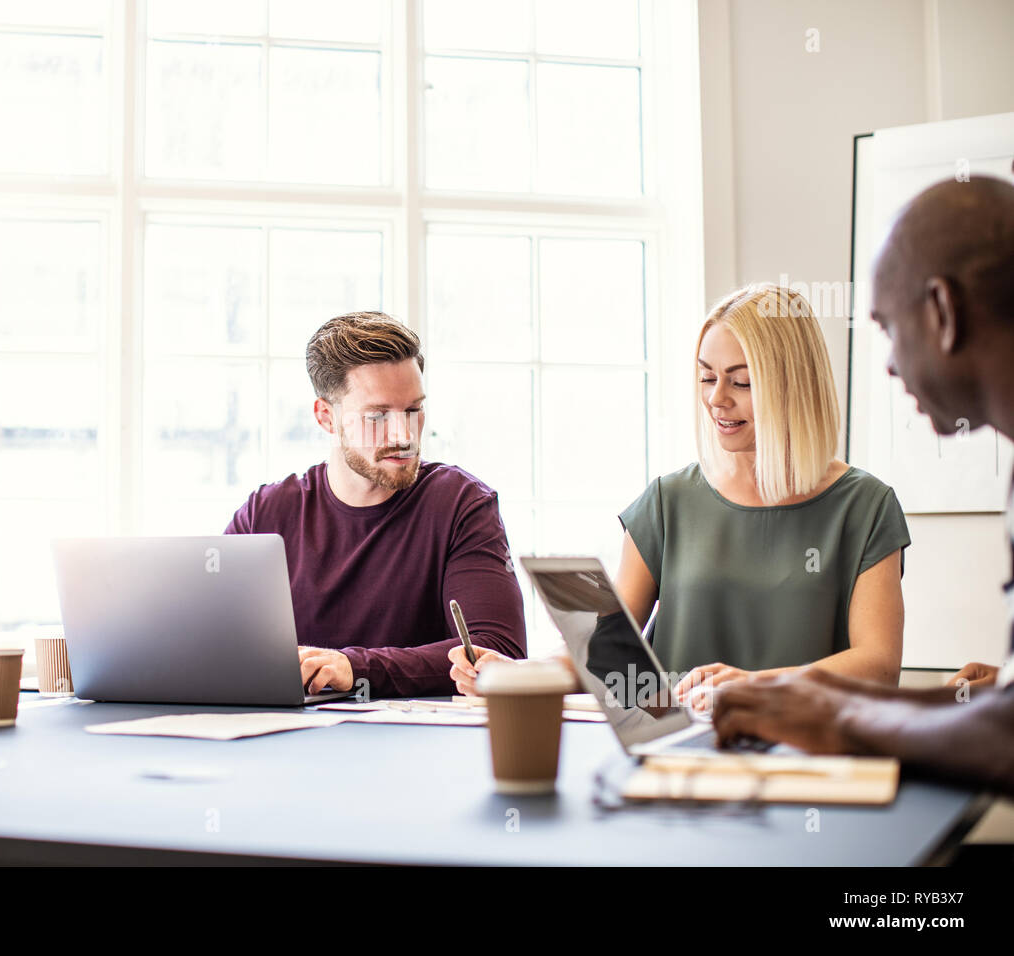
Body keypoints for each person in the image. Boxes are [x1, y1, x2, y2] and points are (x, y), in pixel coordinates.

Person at [451, 284, 909, 702]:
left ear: (794, 385)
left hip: (806, 746)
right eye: (707, 377)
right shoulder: (668, 501)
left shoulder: (864, 507)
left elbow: (879, 665)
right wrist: (515, 674)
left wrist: (755, 684)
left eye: (741, 381)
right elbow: (603, 652)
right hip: (676, 745)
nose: (716, 398)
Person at [713, 176, 1014, 794]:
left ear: (943, 312)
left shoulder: (865, 503)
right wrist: (834, 698)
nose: (891, 364)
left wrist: (839, 716)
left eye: (890, 328)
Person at [225, 311, 526, 699]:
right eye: (377, 416)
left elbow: (497, 650)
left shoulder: (460, 505)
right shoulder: (265, 514)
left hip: (418, 734)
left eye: (413, 410)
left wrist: (355, 668)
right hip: (288, 732)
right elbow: (213, 643)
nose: (404, 435)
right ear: (326, 418)